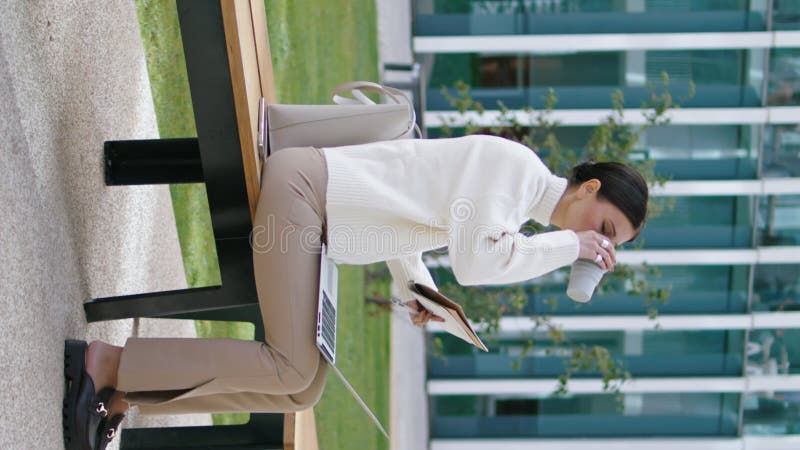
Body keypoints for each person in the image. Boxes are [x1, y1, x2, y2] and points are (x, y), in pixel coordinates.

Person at [63, 134, 647, 449]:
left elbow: (411, 227)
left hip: (318, 225)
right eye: (604, 228)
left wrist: (420, 293)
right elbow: (478, 264)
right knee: (292, 366)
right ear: (589, 187)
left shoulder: (516, 207)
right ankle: (107, 362)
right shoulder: (515, 172)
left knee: (302, 390)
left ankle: (125, 395)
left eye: (605, 241)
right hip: (304, 196)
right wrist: (567, 250)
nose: (593, 241)